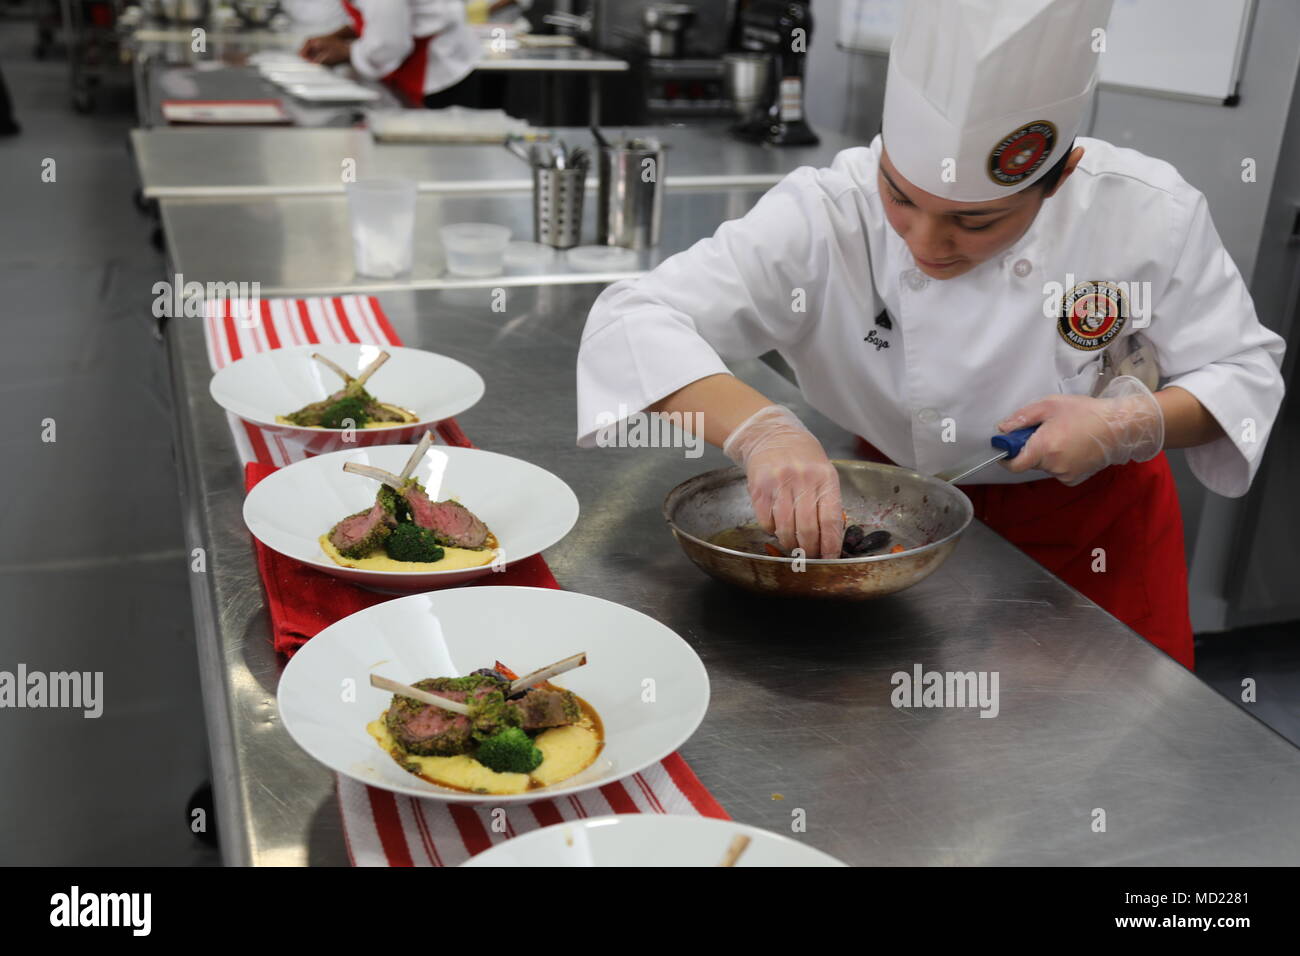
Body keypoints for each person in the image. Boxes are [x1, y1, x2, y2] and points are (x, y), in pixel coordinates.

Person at [574, 0, 1287, 671]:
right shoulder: (830, 212)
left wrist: (1127, 423)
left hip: (1092, 544)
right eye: (901, 196)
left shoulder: (1147, 213)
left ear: (1060, 175)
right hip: (890, 527)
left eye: (976, 222)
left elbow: (1243, 372)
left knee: (1123, 770)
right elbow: (632, 318)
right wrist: (763, 431)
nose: (925, 242)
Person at [299, 0, 483, 108]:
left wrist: (346, 52)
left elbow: (390, 44)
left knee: (434, 160)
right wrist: (338, 36)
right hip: (442, 59)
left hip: (437, 71)